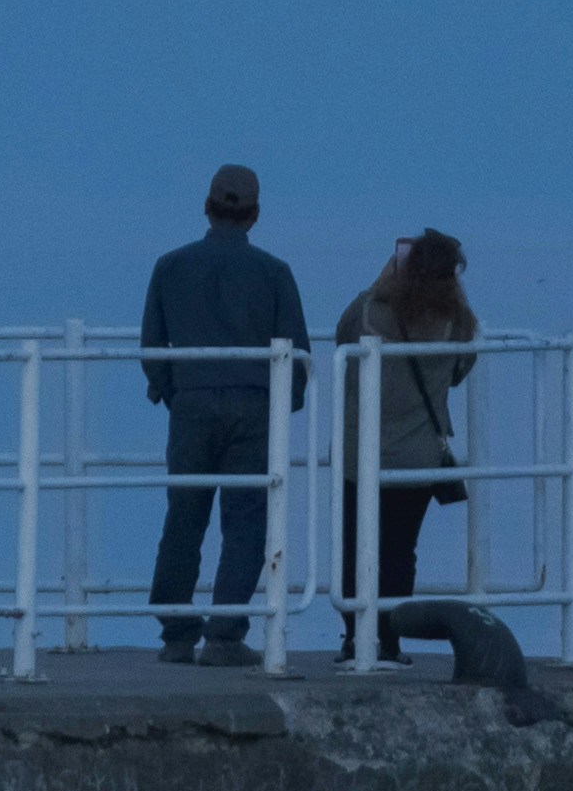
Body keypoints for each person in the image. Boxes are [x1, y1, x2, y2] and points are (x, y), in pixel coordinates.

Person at [137, 164, 313, 661]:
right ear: (255, 216)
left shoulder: (170, 266)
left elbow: (152, 346)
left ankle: (175, 632)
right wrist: (282, 406)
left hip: (191, 404)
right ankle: (224, 634)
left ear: (206, 207)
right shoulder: (274, 272)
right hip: (254, 405)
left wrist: (175, 392)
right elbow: (297, 353)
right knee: (247, 519)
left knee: (184, 515)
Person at [334, 228, 478, 647]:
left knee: (355, 550)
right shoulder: (458, 323)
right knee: (400, 553)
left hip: (361, 455)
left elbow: (343, 334)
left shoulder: (370, 310)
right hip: (417, 460)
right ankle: (390, 642)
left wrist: (380, 282)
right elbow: (458, 372)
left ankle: (353, 641)